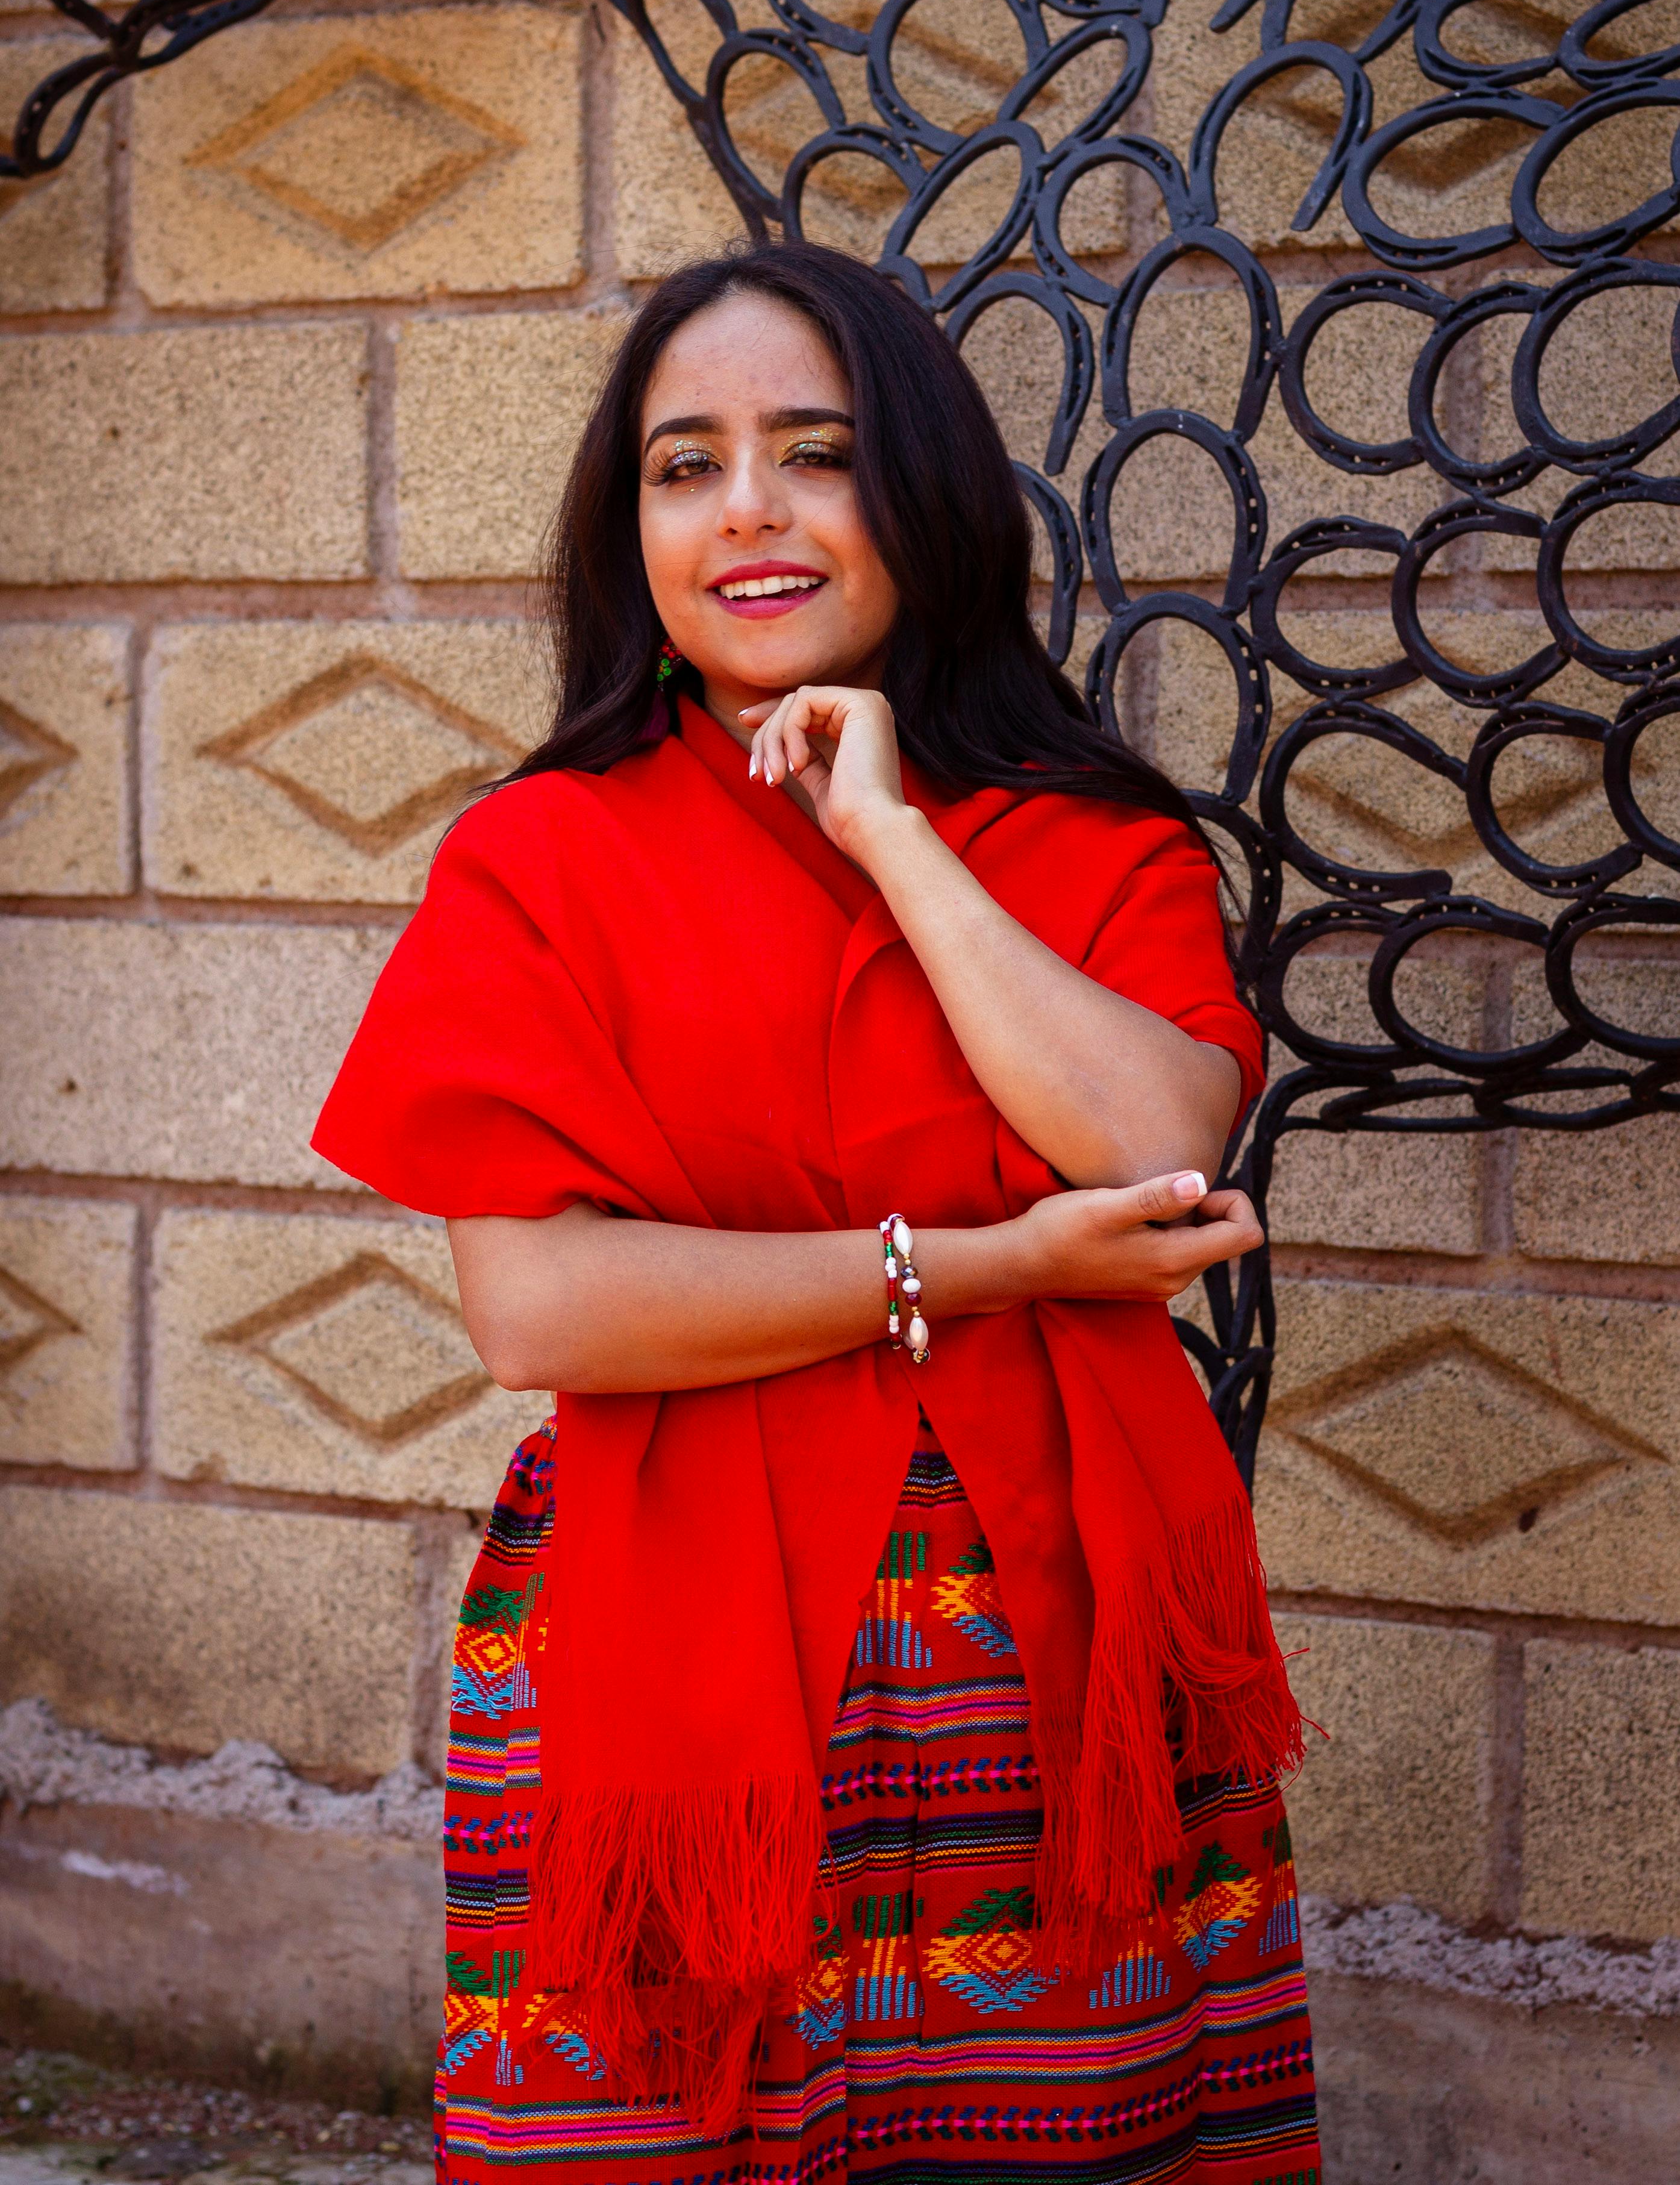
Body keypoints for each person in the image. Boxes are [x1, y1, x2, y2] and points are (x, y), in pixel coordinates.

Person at [313, 241, 1320, 2184]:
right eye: (686, 465)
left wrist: (897, 837)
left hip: (1062, 1675)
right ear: (635, 534)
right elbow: (538, 1310)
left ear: (923, 500)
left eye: (815, 452)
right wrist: (991, 1267)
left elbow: (1152, 1147)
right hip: (664, 1659)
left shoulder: (1088, 839)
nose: (747, 509)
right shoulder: (542, 858)